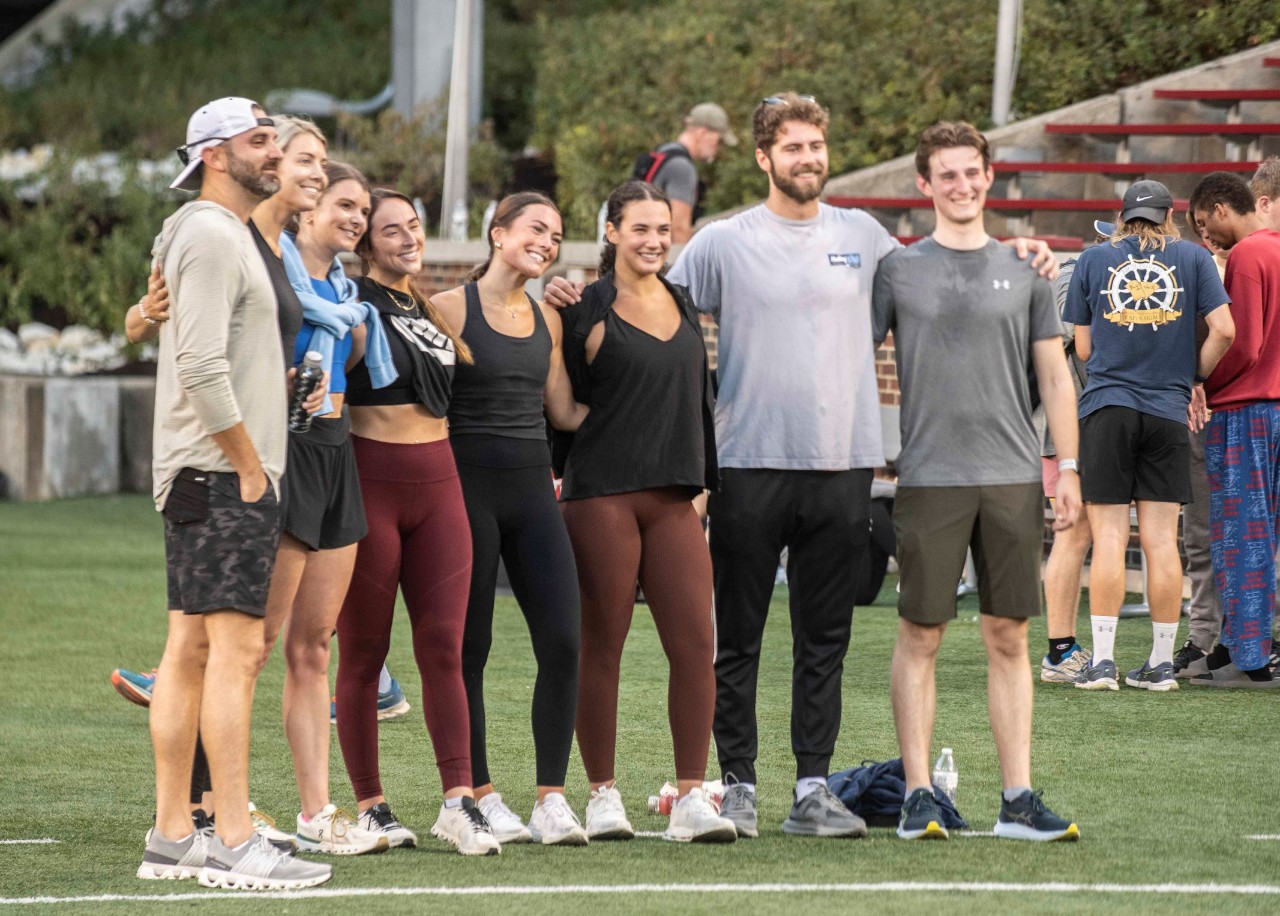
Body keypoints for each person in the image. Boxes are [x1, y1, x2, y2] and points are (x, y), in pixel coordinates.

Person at [546, 92, 1057, 840]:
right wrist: (573, 293)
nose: (807, 158)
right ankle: (740, 785)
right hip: (748, 465)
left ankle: (813, 788)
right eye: (791, 148)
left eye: (816, 145)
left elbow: (951, 271)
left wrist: (1034, 254)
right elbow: (644, 299)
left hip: (844, 467)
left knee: (826, 639)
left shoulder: (867, 237)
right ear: (763, 158)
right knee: (739, 638)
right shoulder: (723, 242)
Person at [139, 97, 330, 889]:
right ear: (215, 155)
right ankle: (233, 840)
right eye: (260, 143)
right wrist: (251, 466)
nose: (275, 154)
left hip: (206, 470)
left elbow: (175, 323)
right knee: (234, 650)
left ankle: (174, 835)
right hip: (220, 474)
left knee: (189, 651)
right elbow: (202, 365)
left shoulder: (214, 234)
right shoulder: (214, 235)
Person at [873, 120, 1081, 842]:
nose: (962, 186)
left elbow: (1055, 374)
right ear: (925, 185)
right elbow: (851, 355)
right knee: (920, 634)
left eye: (973, 173)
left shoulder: (1028, 269)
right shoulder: (897, 270)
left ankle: (1017, 800)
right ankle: (919, 794)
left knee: (1009, 636)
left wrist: (1069, 467)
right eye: (947, 175)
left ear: (990, 178)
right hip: (930, 477)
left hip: (1014, 476)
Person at [559, 180, 736, 844]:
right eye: (640, 228)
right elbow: (559, 403)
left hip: (674, 501)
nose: (654, 240)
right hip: (600, 495)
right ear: (611, 232)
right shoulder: (583, 306)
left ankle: (691, 796)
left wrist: (699, 491)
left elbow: (695, 403)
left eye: (663, 228)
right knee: (602, 644)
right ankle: (602, 794)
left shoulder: (684, 302)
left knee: (695, 644)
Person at [336, 189, 501, 855]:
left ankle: (458, 800)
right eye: (392, 230)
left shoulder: (424, 306)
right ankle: (371, 805)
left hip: (441, 487)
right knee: (365, 652)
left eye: (414, 226)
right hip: (371, 481)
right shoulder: (351, 303)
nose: (408, 238)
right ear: (366, 242)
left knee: (446, 649)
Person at [430, 192, 589, 846]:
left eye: (555, 235)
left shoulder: (546, 318)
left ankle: (551, 798)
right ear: (497, 232)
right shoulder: (446, 309)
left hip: (531, 492)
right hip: (465, 489)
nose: (547, 242)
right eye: (535, 228)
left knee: (564, 639)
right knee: (470, 648)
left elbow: (565, 413)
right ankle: (480, 793)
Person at [1065, 180, 1234, 692]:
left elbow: (1085, 349)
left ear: (1123, 216)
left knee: (1111, 538)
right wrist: (1194, 376)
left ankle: (1102, 663)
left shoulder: (1094, 261)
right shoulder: (1195, 258)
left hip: (1107, 410)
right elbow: (1224, 330)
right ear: (1169, 215)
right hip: (1167, 412)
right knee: (1163, 541)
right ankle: (1161, 665)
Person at [272, 155, 393, 855]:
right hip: (281, 458)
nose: (354, 219)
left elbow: (342, 377)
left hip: (334, 451)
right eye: (343, 205)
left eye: (360, 211)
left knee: (313, 648)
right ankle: (202, 809)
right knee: (248, 649)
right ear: (309, 209)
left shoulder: (348, 293)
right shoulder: (279, 278)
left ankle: (316, 815)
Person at [1188, 171, 1280, 687]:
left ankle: (1249, 661)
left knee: (1241, 534)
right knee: (1265, 535)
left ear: (1224, 208)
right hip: (1276, 409)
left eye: (1205, 223)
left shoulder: (1248, 255)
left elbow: (1240, 343)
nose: (1205, 236)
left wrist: (1201, 380)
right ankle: (1240, 648)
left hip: (1244, 411)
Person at [633, 103, 738, 244]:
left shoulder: (664, 152)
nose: (719, 148)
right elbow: (679, 229)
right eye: (719, 141)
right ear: (702, 133)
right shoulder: (683, 168)